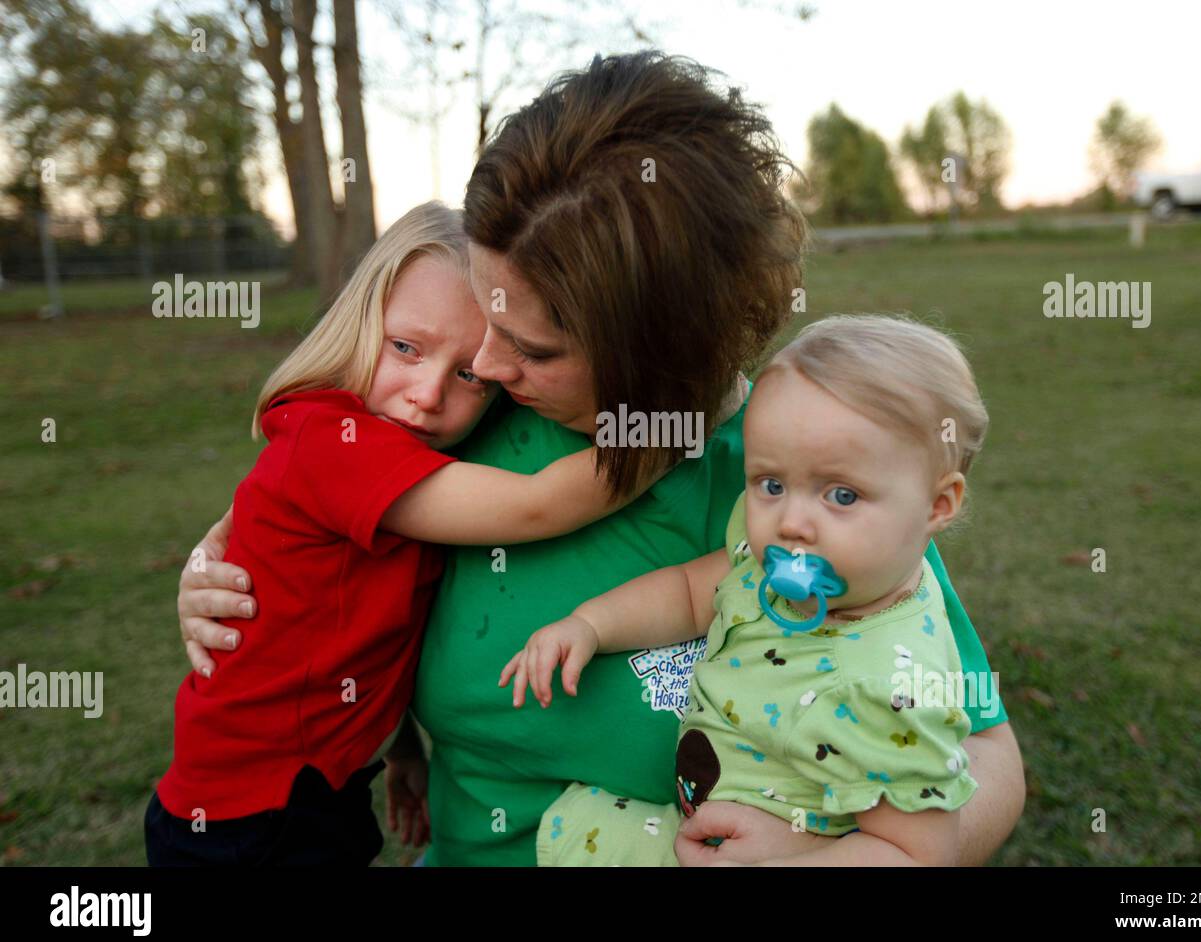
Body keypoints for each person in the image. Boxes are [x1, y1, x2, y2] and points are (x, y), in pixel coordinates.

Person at [176, 52, 1025, 867]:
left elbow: (988, 758)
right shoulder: (464, 413)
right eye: (487, 315)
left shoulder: (790, 483)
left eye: (535, 349)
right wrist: (215, 565)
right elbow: (308, 492)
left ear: (657, 352)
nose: (491, 368)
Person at [146, 202, 651, 865]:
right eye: (405, 348)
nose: (427, 394)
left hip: (322, 788)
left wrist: (402, 747)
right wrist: (666, 430)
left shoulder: (401, 454)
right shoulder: (334, 442)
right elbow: (535, 506)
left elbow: (363, 635)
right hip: (249, 820)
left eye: (468, 374)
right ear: (360, 321)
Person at [506, 315, 990, 865]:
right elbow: (689, 592)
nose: (793, 522)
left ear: (937, 506)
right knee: (571, 828)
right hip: (692, 822)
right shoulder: (785, 564)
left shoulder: (890, 690)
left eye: (843, 496)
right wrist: (589, 625)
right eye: (772, 484)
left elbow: (917, 855)